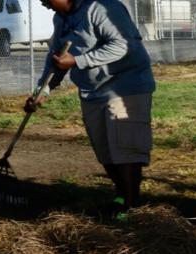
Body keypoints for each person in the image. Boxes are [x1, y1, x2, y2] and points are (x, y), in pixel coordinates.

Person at [27, 0, 155, 221]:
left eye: (47, 0)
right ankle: (121, 197)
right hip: (92, 91)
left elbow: (123, 45)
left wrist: (77, 61)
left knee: (124, 149)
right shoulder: (61, 18)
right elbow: (56, 60)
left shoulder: (102, 7)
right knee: (105, 149)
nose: (45, 4)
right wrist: (43, 91)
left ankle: (131, 206)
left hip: (125, 86)